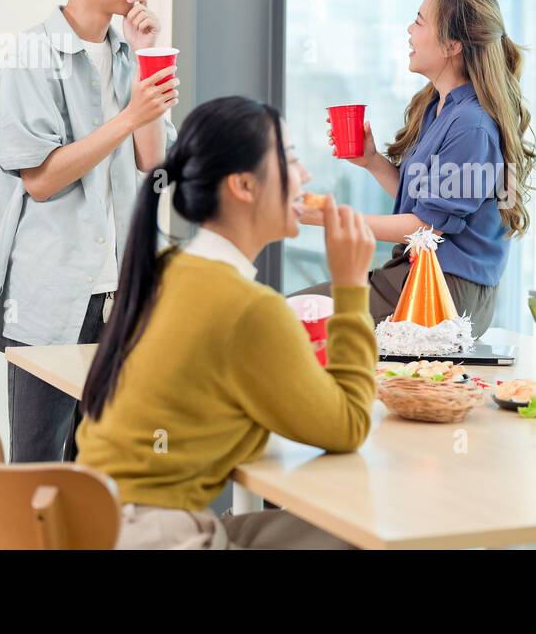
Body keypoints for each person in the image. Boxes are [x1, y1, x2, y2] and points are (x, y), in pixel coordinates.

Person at [76, 97, 378, 549]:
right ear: (243, 185)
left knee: (336, 531)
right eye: (291, 159)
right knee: (365, 537)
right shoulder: (249, 308)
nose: (306, 177)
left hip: (97, 523)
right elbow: (350, 425)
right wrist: (351, 285)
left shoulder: (167, 269)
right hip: (156, 538)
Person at [0, 0, 177, 462]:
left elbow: (152, 161)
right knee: (38, 466)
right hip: (51, 293)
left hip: (122, 289)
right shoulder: (32, 54)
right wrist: (127, 118)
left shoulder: (130, 53)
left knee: (101, 465)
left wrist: (146, 58)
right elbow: (40, 179)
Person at [292, 0, 536, 337]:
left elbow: (427, 227)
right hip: (418, 276)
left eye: (420, 22)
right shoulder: (437, 108)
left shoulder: (471, 125)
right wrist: (373, 161)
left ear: (453, 45)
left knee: (286, 322)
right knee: (285, 318)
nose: (410, 30)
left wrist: (331, 219)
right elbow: (429, 208)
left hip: (445, 294)